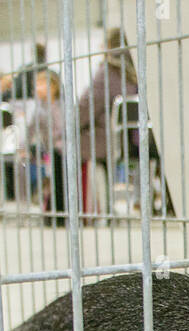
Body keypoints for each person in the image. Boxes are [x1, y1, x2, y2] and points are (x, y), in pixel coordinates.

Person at [74, 28, 138, 211]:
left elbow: (86, 107)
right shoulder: (134, 71)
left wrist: (70, 126)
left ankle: (82, 207)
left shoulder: (108, 72)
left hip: (110, 140)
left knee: (64, 144)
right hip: (133, 138)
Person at [24, 70, 67, 224]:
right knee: (51, 180)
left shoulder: (58, 105)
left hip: (61, 148)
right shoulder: (39, 107)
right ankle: (52, 213)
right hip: (50, 149)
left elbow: (61, 128)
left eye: (41, 84)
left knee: (59, 181)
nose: (37, 87)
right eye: (36, 84)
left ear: (53, 87)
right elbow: (30, 128)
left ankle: (60, 213)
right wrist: (24, 146)